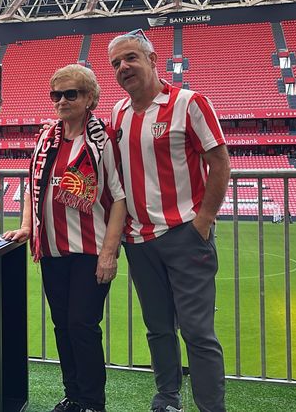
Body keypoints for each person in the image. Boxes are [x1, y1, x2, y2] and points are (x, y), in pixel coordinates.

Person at [107, 29, 231, 412]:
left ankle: (211, 407)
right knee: (159, 329)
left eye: (130, 58)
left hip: (184, 235)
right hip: (139, 242)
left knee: (197, 332)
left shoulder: (190, 102)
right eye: (115, 63)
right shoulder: (118, 112)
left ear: (152, 59)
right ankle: (167, 398)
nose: (123, 67)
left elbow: (219, 161)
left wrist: (203, 220)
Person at [3, 64, 126, 412]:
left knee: (82, 325)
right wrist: (27, 226)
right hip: (53, 250)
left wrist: (109, 252)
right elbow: (33, 187)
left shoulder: (104, 141)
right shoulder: (47, 138)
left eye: (71, 94)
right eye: (56, 95)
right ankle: (73, 395)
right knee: (62, 326)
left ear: (90, 99)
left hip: (90, 249)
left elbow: (119, 197)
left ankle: (91, 401)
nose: (61, 101)